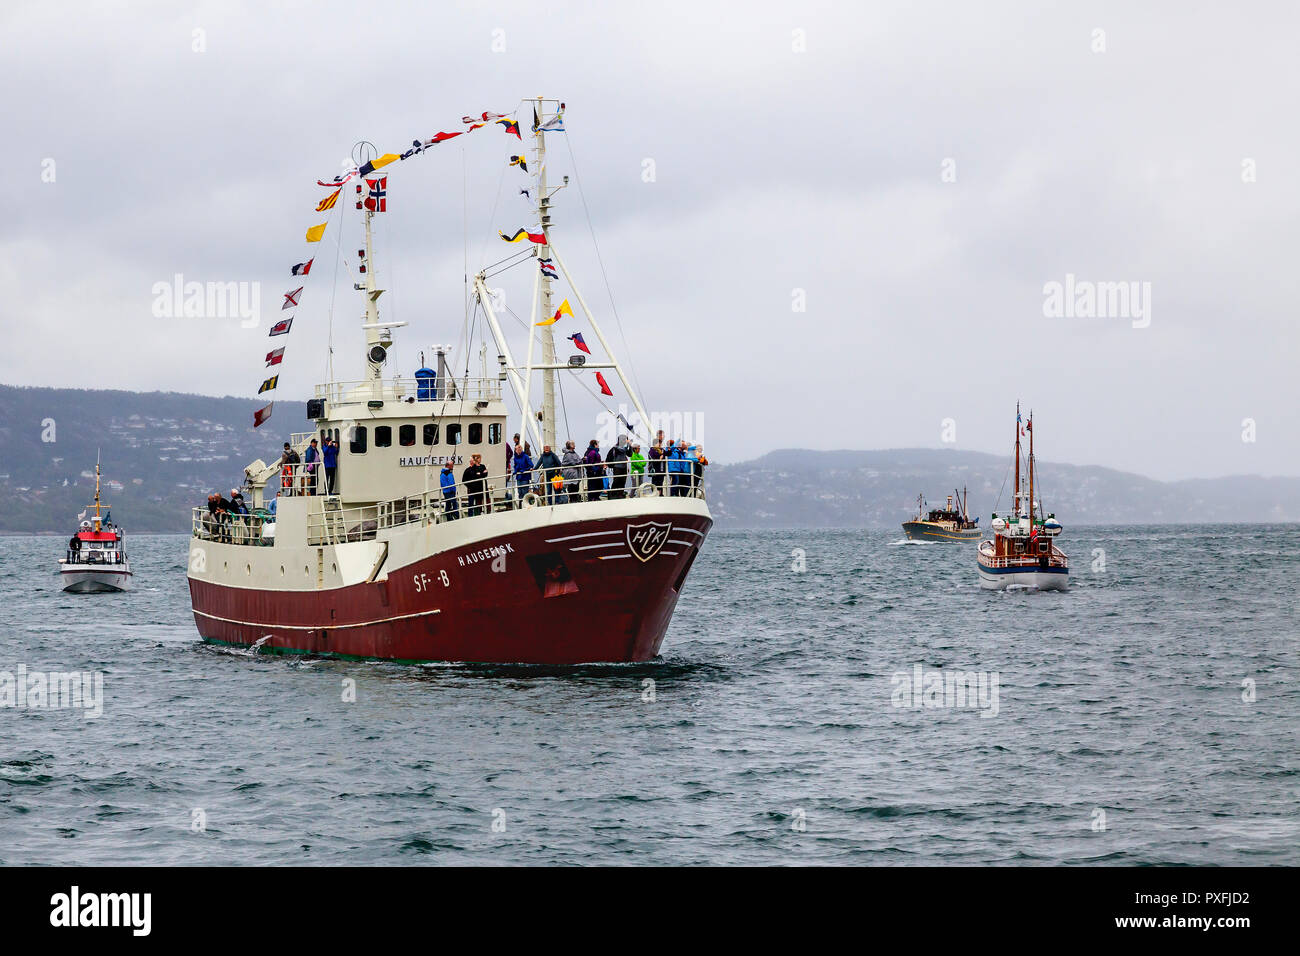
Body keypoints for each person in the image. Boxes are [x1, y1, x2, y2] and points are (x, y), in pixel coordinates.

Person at [605, 435, 631, 499]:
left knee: (623, 481)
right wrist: (628, 444)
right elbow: (621, 450)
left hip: (624, 466)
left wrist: (630, 446)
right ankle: (613, 494)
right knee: (616, 481)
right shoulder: (616, 447)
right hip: (617, 467)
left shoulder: (625, 447)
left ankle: (620, 494)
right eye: (625, 440)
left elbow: (630, 454)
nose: (626, 441)